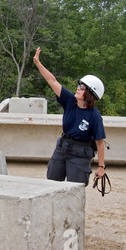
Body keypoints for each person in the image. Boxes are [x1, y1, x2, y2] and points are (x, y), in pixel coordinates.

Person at [33, 47, 106, 186]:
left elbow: (100, 143)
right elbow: (52, 81)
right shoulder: (70, 101)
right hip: (62, 147)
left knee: (74, 190)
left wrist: (101, 167)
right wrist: (38, 63)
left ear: (90, 94)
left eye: (82, 87)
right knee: (51, 185)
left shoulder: (94, 116)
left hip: (80, 154)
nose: (78, 88)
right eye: (79, 86)